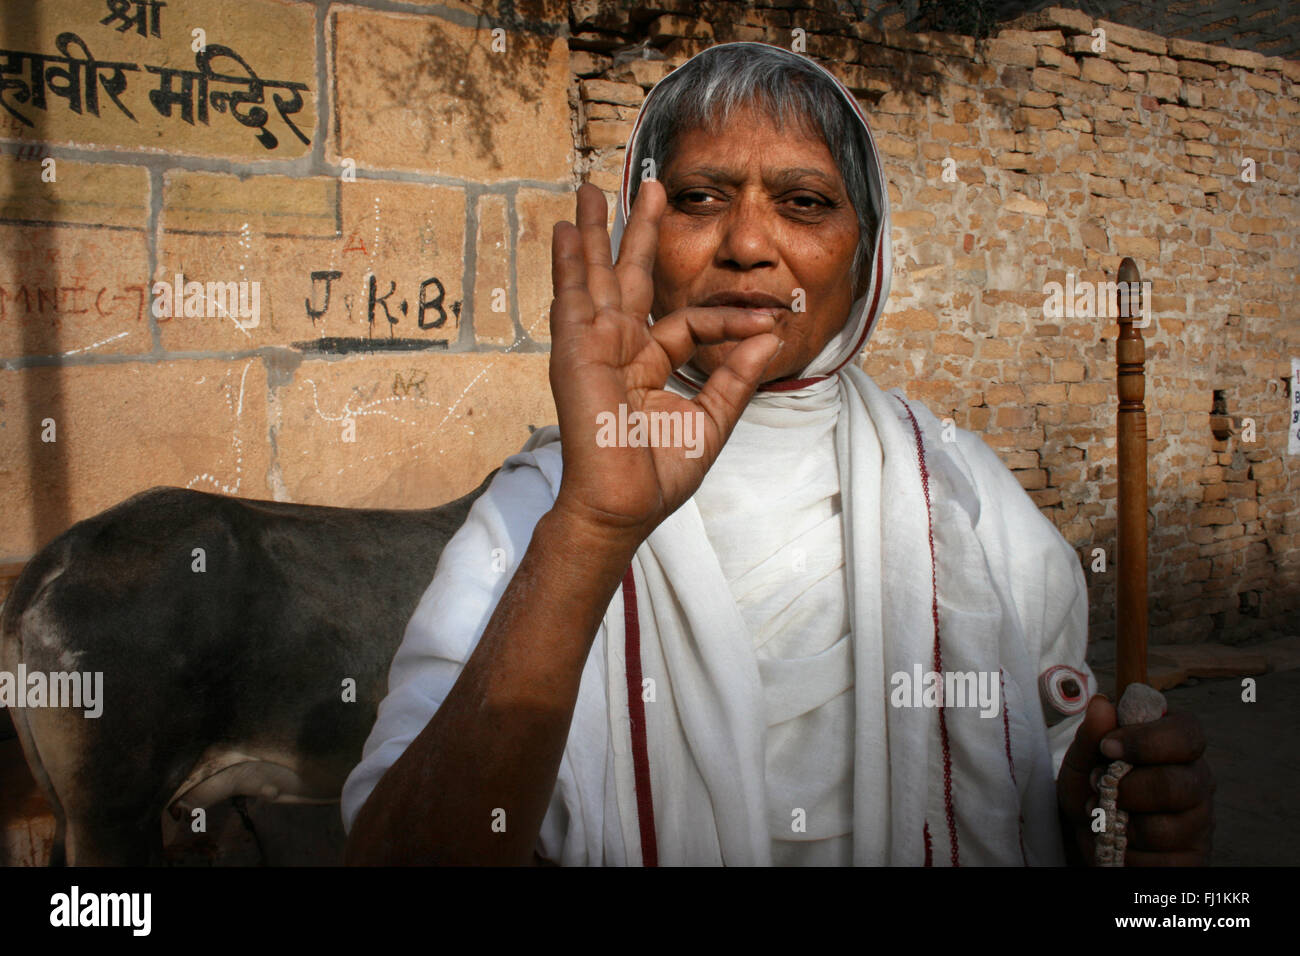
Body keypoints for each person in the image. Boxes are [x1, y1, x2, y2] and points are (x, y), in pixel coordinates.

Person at [342, 42, 1212, 866]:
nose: (748, 245)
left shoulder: (969, 504)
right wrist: (594, 528)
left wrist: (1102, 812)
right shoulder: (537, 513)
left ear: (866, 255)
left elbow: (1043, 772)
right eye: (699, 198)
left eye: (804, 202)